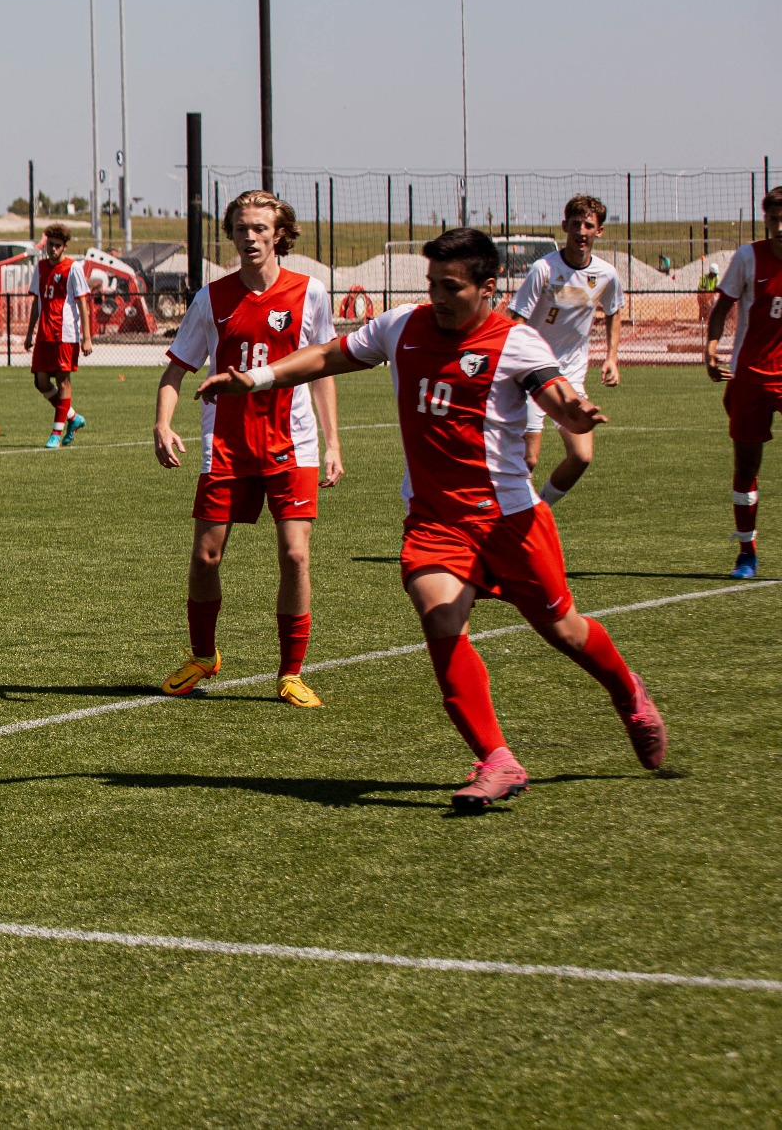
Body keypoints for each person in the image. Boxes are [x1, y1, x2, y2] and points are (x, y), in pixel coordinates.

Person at [199, 228, 666, 812]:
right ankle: (496, 758)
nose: (438, 298)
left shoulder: (514, 342)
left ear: (488, 288)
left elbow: (552, 395)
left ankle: (629, 697)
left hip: (510, 522)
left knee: (565, 630)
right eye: (432, 285)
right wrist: (259, 377)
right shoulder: (403, 326)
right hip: (435, 522)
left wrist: (574, 408)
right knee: (439, 614)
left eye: (452, 288)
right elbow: (328, 356)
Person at [155, 190, 341, 708]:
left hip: (293, 445)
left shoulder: (311, 292)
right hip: (227, 447)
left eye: (260, 228)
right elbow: (175, 372)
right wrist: (162, 423)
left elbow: (324, 367)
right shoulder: (211, 299)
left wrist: (332, 444)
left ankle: (291, 672)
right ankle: (203, 655)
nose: (251, 237)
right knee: (206, 557)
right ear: (231, 234)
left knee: (295, 554)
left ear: (280, 233)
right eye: (241, 228)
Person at [506, 195, 624, 506]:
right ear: (564, 227)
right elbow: (515, 320)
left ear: (599, 232)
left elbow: (614, 311)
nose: (581, 231)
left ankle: (539, 512)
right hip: (531, 374)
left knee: (581, 456)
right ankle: (500, 521)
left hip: (569, 378)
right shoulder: (543, 270)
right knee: (527, 461)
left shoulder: (607, 275)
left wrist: (611, 357)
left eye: (589, 225)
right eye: (575, 224)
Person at [704, 185, 782, 580]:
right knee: (747, 466)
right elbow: (722, 309)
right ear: (765, 219)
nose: (781, 226)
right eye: (774, 219)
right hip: (750, 377)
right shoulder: (748, 257)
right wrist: (711, 348)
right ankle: (746, 552)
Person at [23, 223, 92, 448]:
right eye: (50, 245)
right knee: (40, 381)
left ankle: (56, 433)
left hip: (66, 333)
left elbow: (82, 302)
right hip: (44, 333)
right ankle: (73, 417)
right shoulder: (41, 267)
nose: (52, 249)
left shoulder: (73, 268)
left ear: (64, 247)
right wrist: (29, 332)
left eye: (57, 246)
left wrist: (86, 337)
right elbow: (36, 302)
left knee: (63, 380)